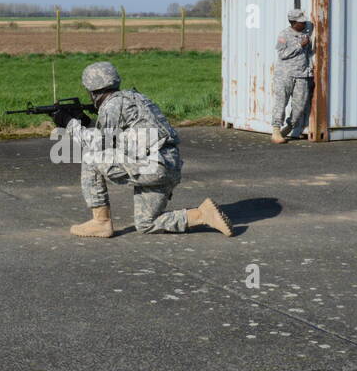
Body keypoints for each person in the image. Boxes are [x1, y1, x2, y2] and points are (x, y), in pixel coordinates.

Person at [55, 61, 232, 238]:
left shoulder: (111, 106)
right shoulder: (137, 98)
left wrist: (69, 124)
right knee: (146, 223)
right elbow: (117, 135)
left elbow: (98, 144)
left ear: (93, 90)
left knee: (90, 157)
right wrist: (86, 122)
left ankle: (100, 222)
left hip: (151, 166)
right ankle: (202, 214)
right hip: (167, 166)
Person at [271, 8, 313, 143]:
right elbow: (282, 54)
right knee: (281, 102)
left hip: (302, 75)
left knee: (300, 106)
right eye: (301, 22)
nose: (304, 23)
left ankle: (288, 128)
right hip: (285, 75)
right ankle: (276, 131)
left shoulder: (306, 33)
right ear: (293, 22)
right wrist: (299, 45)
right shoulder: (284, 34)